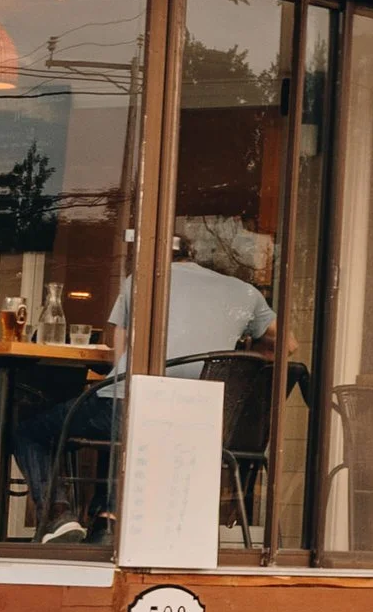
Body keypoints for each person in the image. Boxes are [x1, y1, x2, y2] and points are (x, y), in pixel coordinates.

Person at [14, 227, 277, 542]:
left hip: (139, 407)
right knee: (118, 424)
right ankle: (104, 520)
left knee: (30, 430)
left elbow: (120, 353)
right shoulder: (245, 292)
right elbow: (284, 345)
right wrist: (242, 357)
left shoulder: (141, 280)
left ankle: (61, 518)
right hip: (200, 416)